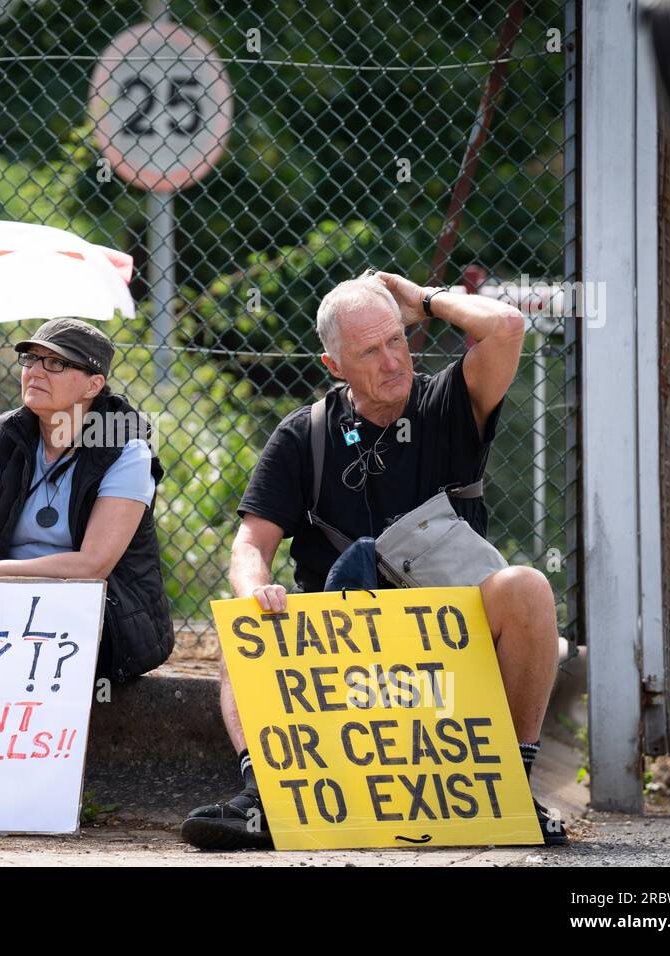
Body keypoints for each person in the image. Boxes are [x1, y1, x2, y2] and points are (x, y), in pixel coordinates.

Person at [180, 270, 568, 849]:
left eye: (396, 340)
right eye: (370, 351)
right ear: (334, 365)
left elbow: (508, 326)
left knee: (527, 586)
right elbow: (249, 546)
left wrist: (423, 300)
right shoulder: (302, 435)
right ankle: (267, 797)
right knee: (243, 624)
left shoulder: (450, 402)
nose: (392, 361)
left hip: (446, 640)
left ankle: (507, 786)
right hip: (342, 650)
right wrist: (255, 589)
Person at [0, 317, 175, 684]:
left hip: (99, 612)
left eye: (55, 363)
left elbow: (92, 566)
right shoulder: (0, 435)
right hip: (3, 606)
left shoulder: (126, 449)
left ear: (94, 384)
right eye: (31, 359)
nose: (36, 372)